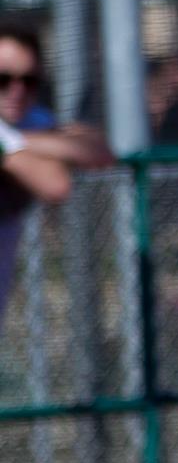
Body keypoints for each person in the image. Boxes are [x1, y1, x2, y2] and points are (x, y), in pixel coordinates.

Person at [0, 25, 111, 319]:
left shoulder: (23, 126)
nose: (17, 91)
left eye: (29, 80)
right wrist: (47, 147)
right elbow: (56, 183)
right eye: (4, 79)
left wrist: (15, 141)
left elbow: (96, 148)